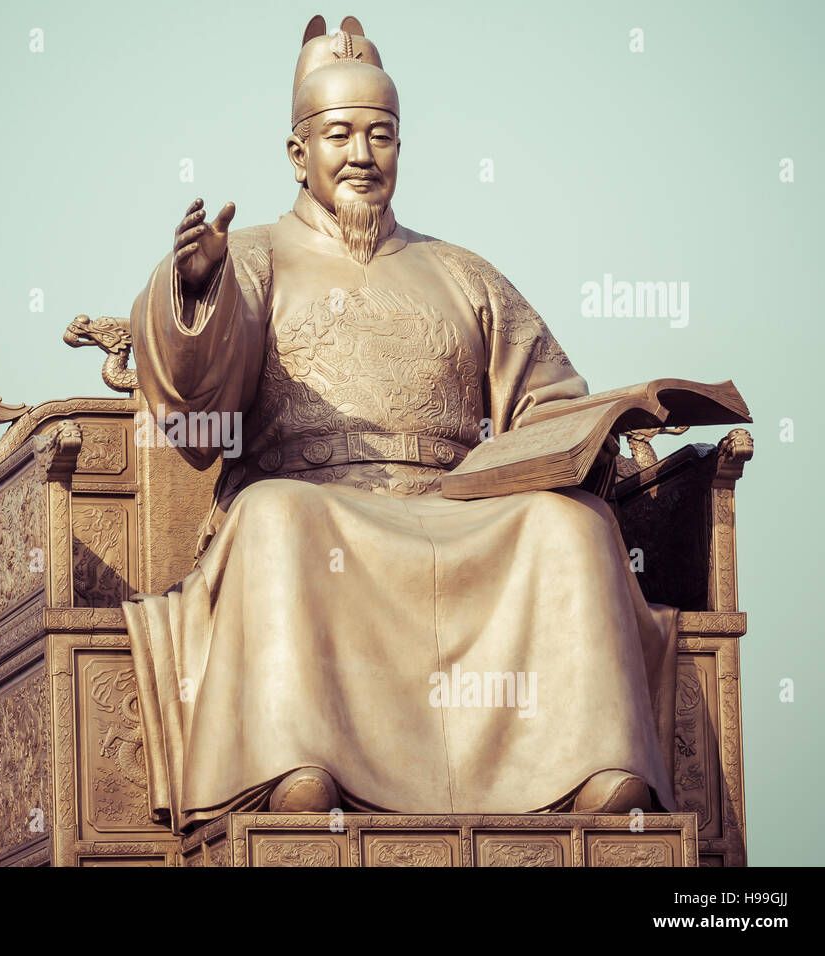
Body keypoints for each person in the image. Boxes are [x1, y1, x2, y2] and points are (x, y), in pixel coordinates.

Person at [121, 16, 677, 834]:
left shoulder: (463, 271)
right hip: (318, 501)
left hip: (457, 507)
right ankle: (297, 762)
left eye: (381, 135)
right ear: (297, 153)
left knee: (575, 528)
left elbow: (546, 404)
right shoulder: (253, 256)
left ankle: (594, 766)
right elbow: (196, 426)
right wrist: (196, 294)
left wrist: (598, 430)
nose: (361, 155)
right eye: (339, 134)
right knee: (272, 516)